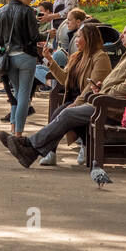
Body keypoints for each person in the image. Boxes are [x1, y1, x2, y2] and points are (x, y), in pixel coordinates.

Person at [0, 21, 126, 168]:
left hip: (116, 108)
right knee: (64, 112)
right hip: (106, 103)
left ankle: (28, 146)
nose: (121, 35)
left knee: (68, 113)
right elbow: (67, 80)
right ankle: (29, 148)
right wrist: (101, 89)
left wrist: (103, 93)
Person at [21, 23, 111, 166]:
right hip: (73, 99)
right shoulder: (76, 56)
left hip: (87, 101)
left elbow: (92, 85)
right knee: (58, 113)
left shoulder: (100, 57)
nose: (76, 40)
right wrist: (50, 60)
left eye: (79, 37)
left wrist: (76, 104)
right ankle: (50, 152)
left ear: (89, 38)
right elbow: (64, 79)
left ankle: (47, 151)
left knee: (62, 113)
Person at [0, 0, 41, 135]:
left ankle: (13, 127)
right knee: (24, 94)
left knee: (17, 92)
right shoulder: (27, 11)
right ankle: (18, 132)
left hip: (8, 58)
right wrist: (47, 34)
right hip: (26, 57)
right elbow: (34, 36)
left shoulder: (1, 11)